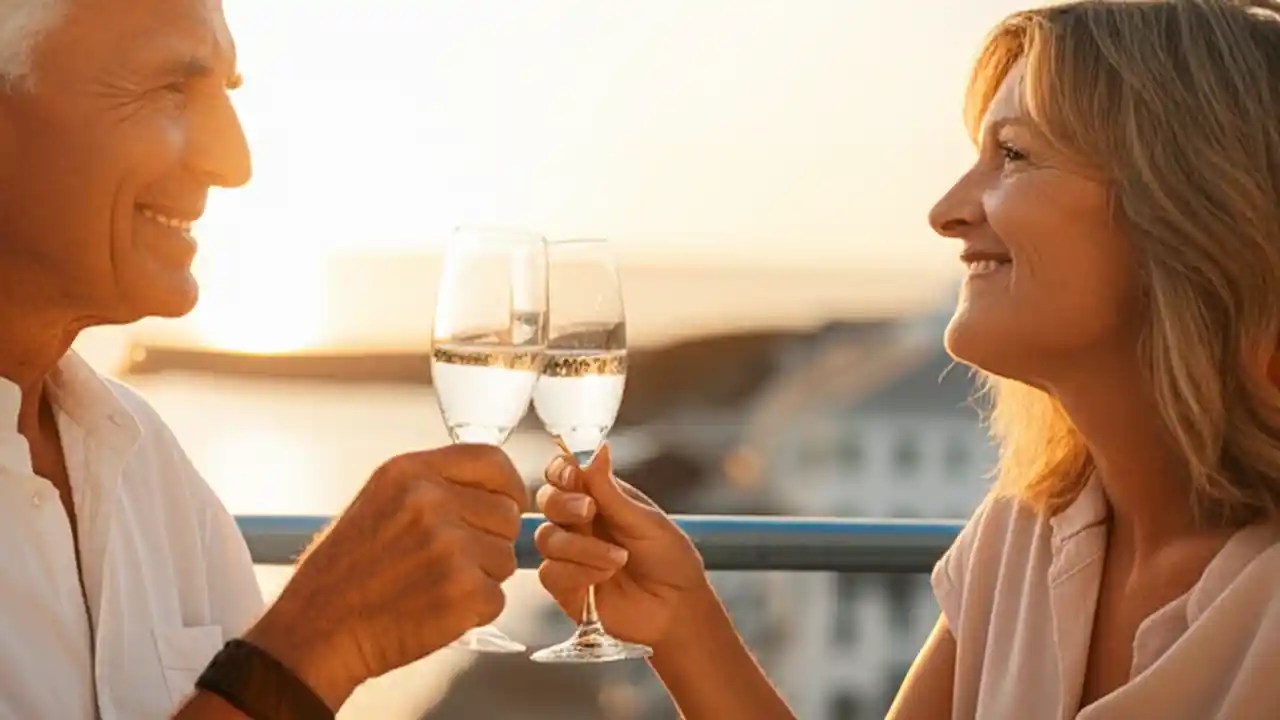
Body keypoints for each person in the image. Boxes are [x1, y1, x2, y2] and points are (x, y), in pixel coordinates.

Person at [535, 1, 1280, 718]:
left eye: (1014, 154)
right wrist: (683, 622)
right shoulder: (1023, 538)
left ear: (1189, 212)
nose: (947, 210)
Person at [0, 1, 529, 717]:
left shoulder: (147, 468)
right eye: (171, 87)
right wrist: (320, 639)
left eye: (226, 92)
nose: (234, 161)